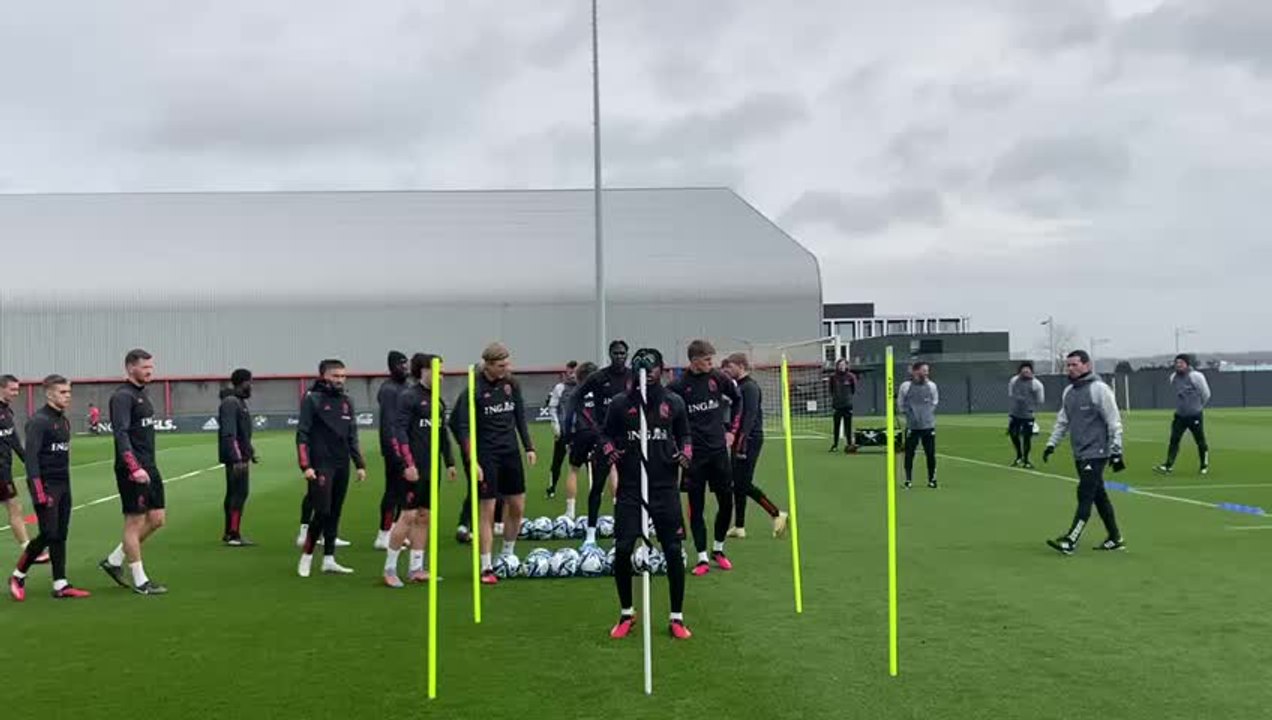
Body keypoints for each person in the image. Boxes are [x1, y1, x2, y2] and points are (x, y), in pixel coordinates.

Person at [602, 348, 693, 640]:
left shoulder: (673, 402)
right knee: (624, 550)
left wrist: (686, 454)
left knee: (673, 551)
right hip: (630, 488)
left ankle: (676, 617)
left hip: (664, 488)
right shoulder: (620, 404)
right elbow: (605, 435)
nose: (647, 373)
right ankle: (627, 612)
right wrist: (609, 452)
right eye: (642, 368)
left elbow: (685, 435)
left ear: (662, 370)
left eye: (653, 368)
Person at [450, 342, 536, 585]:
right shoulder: (473, 390)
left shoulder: (511, 384)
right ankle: (485, 565)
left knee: (517, 505)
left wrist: (528, 446)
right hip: (486, 455)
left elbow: (519, 415)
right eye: (501, 365)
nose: (506, 368)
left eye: (508, 364)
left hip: (510, 453)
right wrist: (472, 461)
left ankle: (507, 555)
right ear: (487, 365)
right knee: (487, 510)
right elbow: (462, 428)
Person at [10, 375, 90, 601]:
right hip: (45, 486)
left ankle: (60, 584)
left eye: (69, 392)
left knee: (60, 535)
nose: (68, 396)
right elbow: (32, 460)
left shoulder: (63, 421)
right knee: (48, 533)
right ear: (49, 394)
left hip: (64, 484)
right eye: (63, 392)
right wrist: (38, 491)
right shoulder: (39, 421)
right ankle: (18, 575)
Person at [98, 349, 169, 595]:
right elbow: (121, 433)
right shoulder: (122, 397)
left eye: (152, 366)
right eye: (145, 367)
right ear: (130, 368)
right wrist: (134, 466)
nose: (150, 370)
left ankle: (115, 560)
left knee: (157, 519)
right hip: (132, 468)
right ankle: (141, 581)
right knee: (134, 521)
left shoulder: (142, 394)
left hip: (150, 465)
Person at [668, 339, 741, 576]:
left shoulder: (718, 379)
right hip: (694, 457)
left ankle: (718, 549)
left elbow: (738, 400)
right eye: (708, 360)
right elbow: (668, 419)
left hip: (719, 452)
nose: (712, 363)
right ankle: (701, 558)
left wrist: (731, 431)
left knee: (726, 502)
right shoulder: (678, 387)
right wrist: (678, 446)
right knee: (696, 507)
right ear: (694, 361)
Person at [384, 353, 457, 587]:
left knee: (425, 516)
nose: (441, 376)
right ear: (423, 371)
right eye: (437, 371)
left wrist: (450, 462)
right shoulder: (408, 397)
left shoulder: (437, 400)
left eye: (443, 372)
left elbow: (442, 433)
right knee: (407, 516)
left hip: (431, 468)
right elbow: (399, 432)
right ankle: (390, 569)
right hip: (412, 468)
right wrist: (408, 464)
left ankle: (416, 568)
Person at [1042, 350, 1126, 554]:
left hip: (1097, 452)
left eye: (1075, 364)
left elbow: (1114, 421)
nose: (1070, 368)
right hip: (1079, 452)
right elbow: (1063, 421)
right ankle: (1115, 537)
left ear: (1087, 365)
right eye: (1068, 365)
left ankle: (1071, 540)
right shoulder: (1069, 392)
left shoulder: (1099, 389)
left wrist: (1116, 451)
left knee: (1085, 494)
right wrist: (1051, 444)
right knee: (1099, 496)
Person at [295, 359, 367, 577]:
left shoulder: (347, 401)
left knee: (335, 512)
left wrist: (359, 464)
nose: (340, 380)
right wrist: (305, 465)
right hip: (320, 464)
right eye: (335, 376)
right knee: (322, 511)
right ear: (323, 376)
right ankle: (306, 557)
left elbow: (352, 435)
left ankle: (329, 559)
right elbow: (302, 434)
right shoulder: (312, 399)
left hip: (341, 463)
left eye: (343, 376)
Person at [566, 340, 632, 545]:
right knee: (597, 485)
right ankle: (591, 534)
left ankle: (624, 530)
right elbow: (575, 398)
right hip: (605, 437)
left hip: (629, 438)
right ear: (610, 354)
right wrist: (591, 422)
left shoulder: (633, 377)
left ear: (627, 354)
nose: (619, 357)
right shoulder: (599, 377)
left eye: (622, 353)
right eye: (615, 353)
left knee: (628, 486)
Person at [721, 353, 789, 539]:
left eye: (731, 366)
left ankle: (777, 513)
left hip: (750, 439)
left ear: (741, 366)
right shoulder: (738, 386)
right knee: (737, 482)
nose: (728, 370)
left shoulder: (750, 387)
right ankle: (739, 526)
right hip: (739, 439)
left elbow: (749, 416)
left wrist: (742, 440)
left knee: (743, 483)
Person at [1, 374, 40, 558]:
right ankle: (29, 550)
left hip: (4, 468)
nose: (16, 393)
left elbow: (13, 439)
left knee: (14, 507)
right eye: (12, 389)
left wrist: (28, 459)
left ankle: (28, 549)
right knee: (14, 506)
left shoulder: (7, 411)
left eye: (17, 389)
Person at [1154, 354, 1212, 476]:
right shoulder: (1173, 377)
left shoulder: (1195, 376)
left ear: (1187, 364)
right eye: (1177, 363)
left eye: (1181, 363)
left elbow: (1206, 394)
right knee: (1174, 440)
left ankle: (1204, 465)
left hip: (1194, 415)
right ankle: (1168, 465)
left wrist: (1197, 407)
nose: (1178, 365)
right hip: (1180, 415)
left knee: (1200, 441)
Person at [218, 368, 257, 546]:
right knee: (239, 493)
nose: (251, 385)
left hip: (240, 455)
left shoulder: (239, 402)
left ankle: (230, 532)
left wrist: (250, 451)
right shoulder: (231, 403)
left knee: (235, 492)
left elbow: (242, 434)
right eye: (250, 381)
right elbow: (229, 433)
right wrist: (238, 458)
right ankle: (233, 534)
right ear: (243, 382)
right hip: (236, 458)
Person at [375, 351, 411, 550]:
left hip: (406, 446)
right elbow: (389, 424)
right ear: (391, 367)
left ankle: (396, 530)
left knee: (404, 491)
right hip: (393, 448)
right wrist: (395, 450)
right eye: (400, 365)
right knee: (393, 490)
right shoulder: (388, 390)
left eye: (406, 365)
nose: (404, 369)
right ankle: (383, 534)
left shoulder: (406, 387)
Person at [558, 361, 598, 522]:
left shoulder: (575, 392)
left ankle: (570, 511)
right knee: (612, 470)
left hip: (581, 433)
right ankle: (617, 508)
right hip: (600, 433)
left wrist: (567, 438)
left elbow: (568, 418)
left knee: (574, 469)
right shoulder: (602, 392)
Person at [897, 361, 939, 489]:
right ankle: (908, 479)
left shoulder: (931, 386)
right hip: (912, 427)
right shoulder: (905, 386)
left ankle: (932, 479)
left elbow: (935, 401)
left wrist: (926, 414)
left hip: (928, 426)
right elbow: (901, 403)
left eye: (927, 370)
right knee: (909, 453)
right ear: (915, 371)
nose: (926, 373)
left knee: (930, 453)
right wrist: (910, 414)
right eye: (924, 370)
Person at [545, 360, 579, 503]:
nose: (571, 375)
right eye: (569, 372)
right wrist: (556, 428)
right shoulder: (560, 388)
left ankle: (595, 489)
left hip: (580, 432)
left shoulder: (583, 386)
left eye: (574, 372)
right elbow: (552, 408)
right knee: (557, 461)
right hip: (564, 432)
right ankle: (552, 488)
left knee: (587, 461)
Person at [1008, 362, 1045, 468]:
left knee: (1027, 437)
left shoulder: (1036, 384)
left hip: (1028, 414)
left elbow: (1040, 399)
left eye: (1027, 371)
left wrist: (1030, 405)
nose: (1025, 373)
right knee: (1013, 434)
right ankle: (1019, 456)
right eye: (1023, 371)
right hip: (1015, 413)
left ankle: (1026, 459)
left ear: (1031, 372)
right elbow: (1011, 394)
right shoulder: (1014, 381)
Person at [828, 360, 858, 453]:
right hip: (837, 405)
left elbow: (853, 389)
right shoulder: (833, 377)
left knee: (848, 426)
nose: (841, 367)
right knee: (836, 425)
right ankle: (835, 445)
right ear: (837, 366)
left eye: (843, 365)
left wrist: (847, 398)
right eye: (840, 365)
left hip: (847, 405)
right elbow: (831, 390)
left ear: (846, 366)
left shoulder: (851, 376)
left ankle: (849, 444)